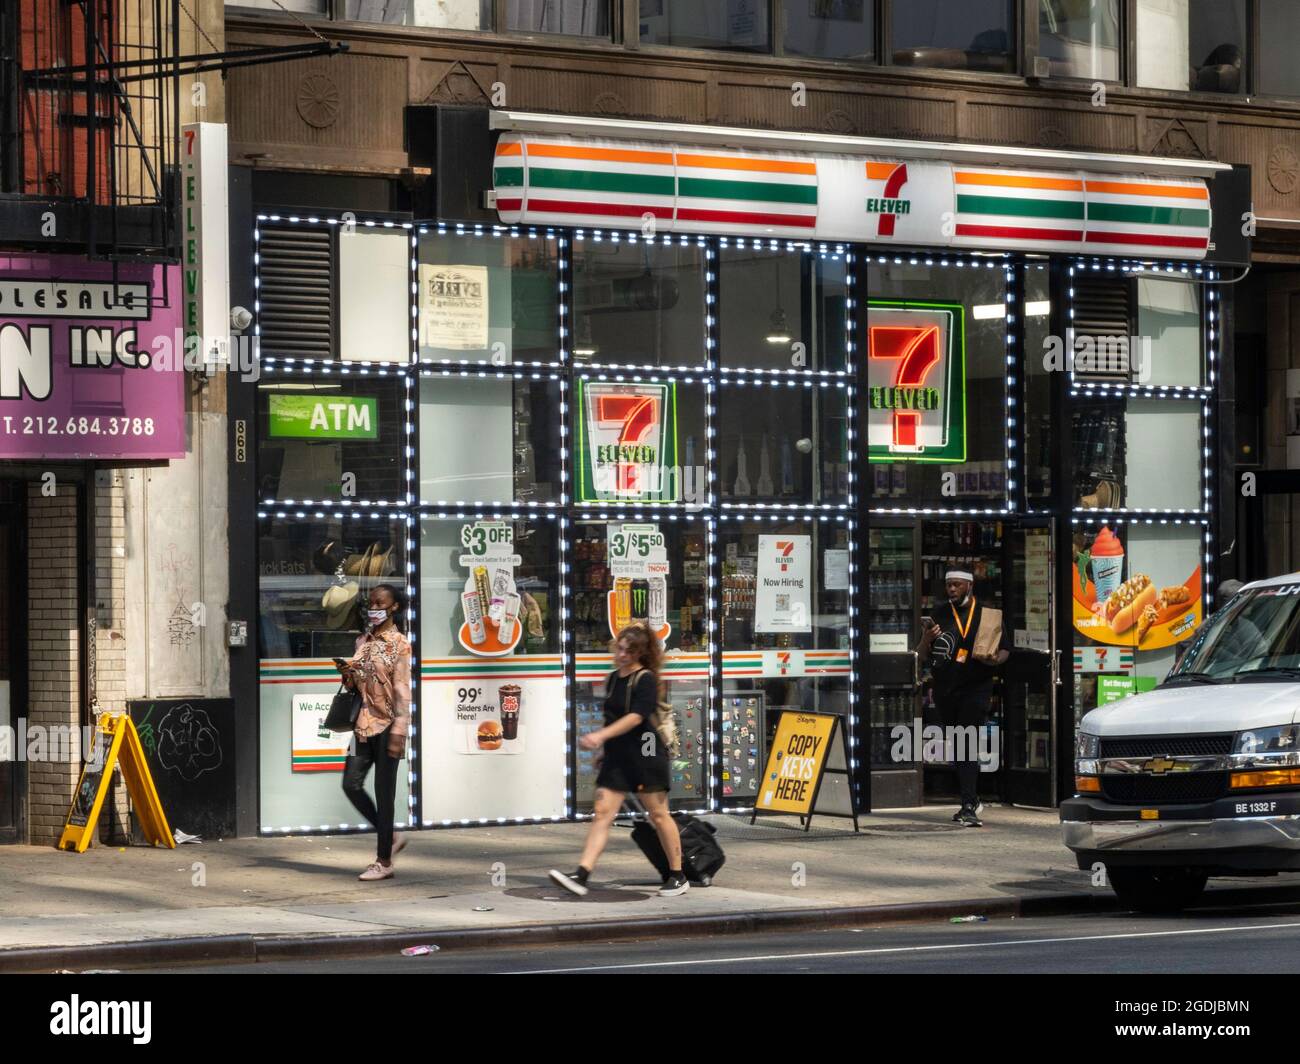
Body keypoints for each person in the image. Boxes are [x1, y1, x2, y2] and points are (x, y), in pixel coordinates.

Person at [549, 624, 689, 898]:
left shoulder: (646, 679)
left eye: (629, 651)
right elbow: (613, 717)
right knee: (602, 813)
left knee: (658, 814)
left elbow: (637, 716)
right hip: (619, 756)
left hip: (647, 753)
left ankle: (677, 875)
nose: (622, 654)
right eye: (620, 648)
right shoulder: (613, 678)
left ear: (641, 653)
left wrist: (600, 737)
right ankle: (582, 874)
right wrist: (606, 750)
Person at [917, 570, 1010, 828]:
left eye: (956, 585)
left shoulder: (987, 614)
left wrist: (995, 660)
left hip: (975, 688)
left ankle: (968, 807)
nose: (952, 590)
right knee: (958, 745)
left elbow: (1005, 649)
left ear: (969, 585)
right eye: (948, 585)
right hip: (946, 689)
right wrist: (926, 638)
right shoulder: (939, 614)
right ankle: (971, 797)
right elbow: (922, 655)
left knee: (966, 742)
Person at [338, 583, 411, 881]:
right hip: (361, 727)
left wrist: (400, 730)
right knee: (350, 783)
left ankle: (384, 861)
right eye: (371, 602)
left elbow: (402, 688)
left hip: (387, 726)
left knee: (384, 793)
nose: (374, 607)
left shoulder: (400, 644)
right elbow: (357, 685)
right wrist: (348, 675)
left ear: (393, 607)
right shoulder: (362, 641)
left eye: (380, 603)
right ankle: (391, 835)